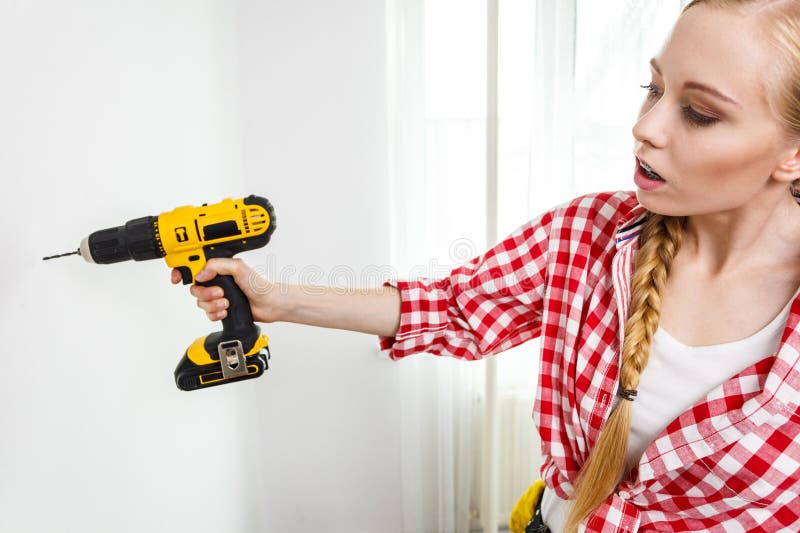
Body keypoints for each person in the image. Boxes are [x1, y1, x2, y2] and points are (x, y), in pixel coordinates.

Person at [172, 1, 800, 531]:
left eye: (699, 113)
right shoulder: (590, 236)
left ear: (792, 153)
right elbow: (450, 308)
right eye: (653, 88)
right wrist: (277, 300)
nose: (645, 127)